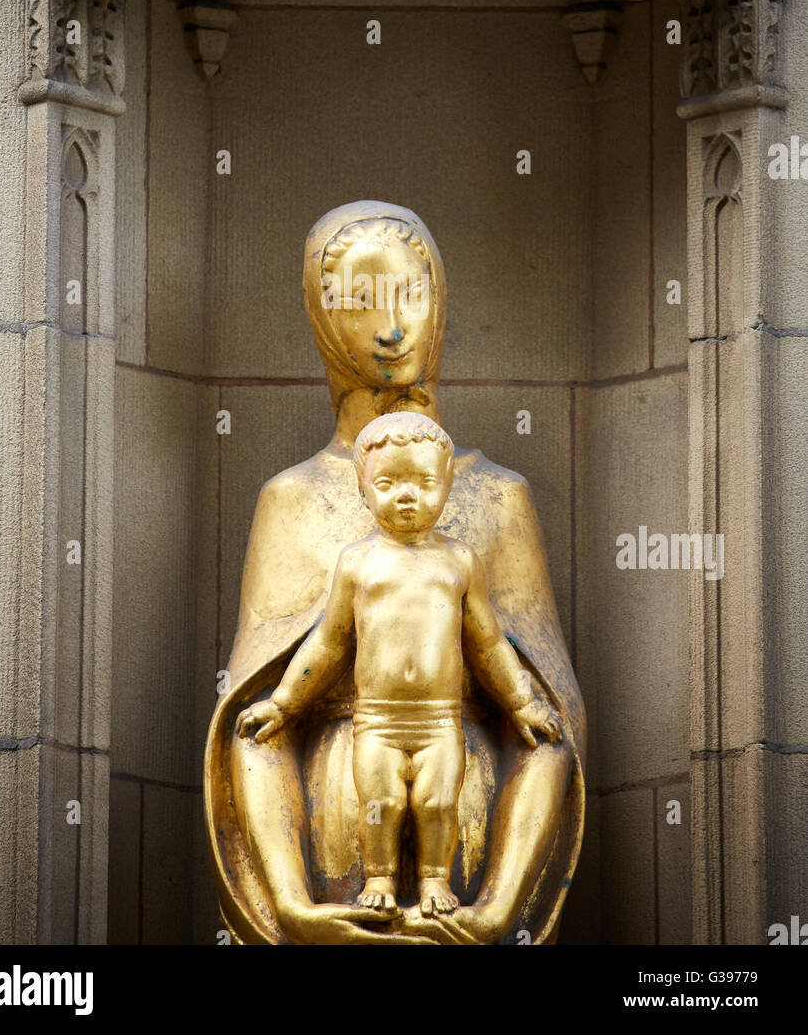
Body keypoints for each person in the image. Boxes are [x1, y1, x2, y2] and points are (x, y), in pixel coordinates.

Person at [205, 202, 586, 945]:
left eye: (410, 295)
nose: (391, 327)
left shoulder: (496, 499)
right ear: (323, 321)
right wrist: (288, 906)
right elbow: (251, 730)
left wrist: (505, 906)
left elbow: (549, 728)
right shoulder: (294, 501)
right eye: (361, 304)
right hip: (327, 865)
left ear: (439, 302)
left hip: (473, 870)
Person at [237, 412, 563, 919]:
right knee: (381, 802)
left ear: (448, 486)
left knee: (438, 804)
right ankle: (380, 878)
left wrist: (521, 703)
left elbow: (488, 643)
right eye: (388, 483)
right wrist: (283, 703)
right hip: (377, 720)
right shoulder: (357, 562)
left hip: (439, 721)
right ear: (363, 492)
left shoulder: (460, 562)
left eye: (423, 482)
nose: (406, 495)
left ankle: (435, 879)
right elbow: (327, 645)